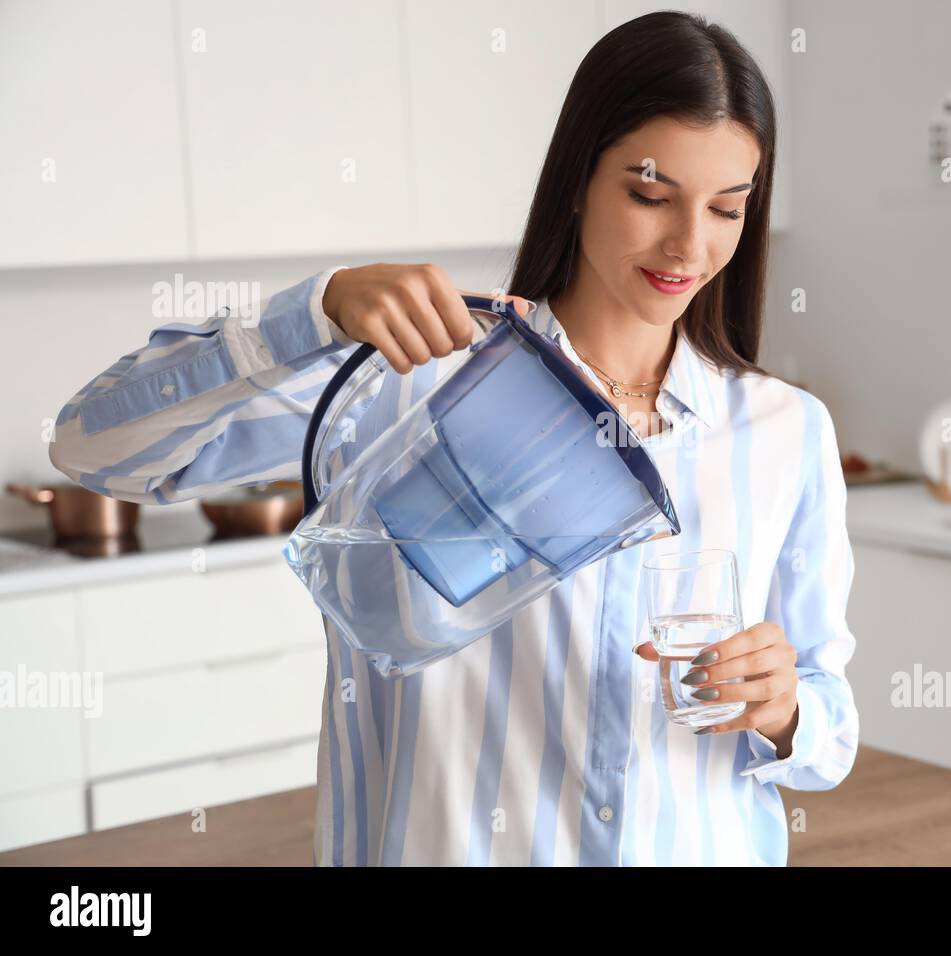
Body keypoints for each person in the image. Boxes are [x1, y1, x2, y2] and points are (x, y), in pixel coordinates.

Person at [48, 10, 858, 866]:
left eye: (727, 209)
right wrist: (313, 313)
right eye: (650, 196)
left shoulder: (785, 431)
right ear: (578, 178)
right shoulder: (408, 377)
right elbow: (92, 449)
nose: (689, 246)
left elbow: (828, 729)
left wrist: (784, 708)